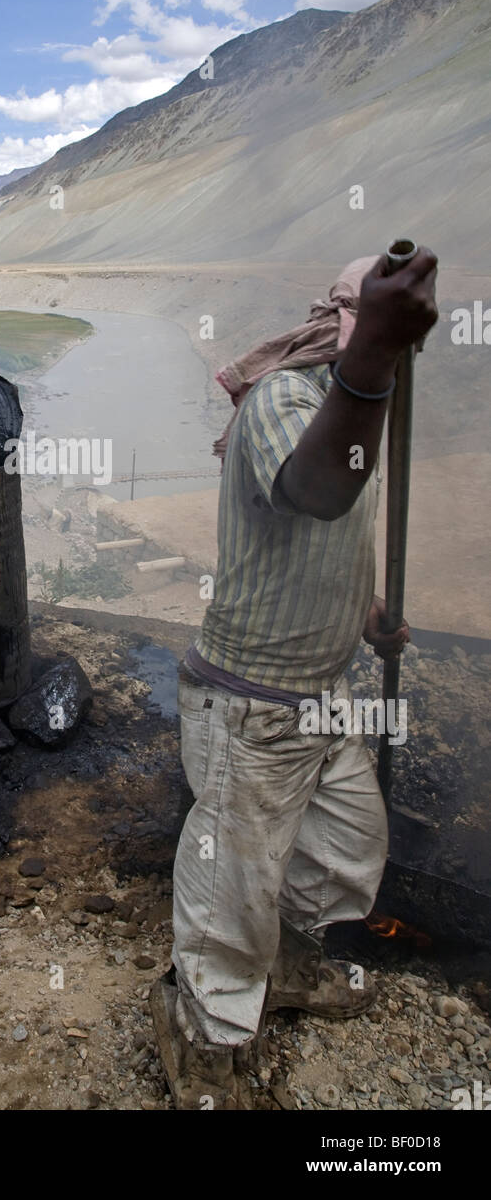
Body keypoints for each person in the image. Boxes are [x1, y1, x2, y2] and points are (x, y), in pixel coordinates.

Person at [151, 247, 438, 1109]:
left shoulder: (358, 405)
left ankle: (292, 961)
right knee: (233, 885)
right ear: (336, 319)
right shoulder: (292, 398)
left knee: (344, 848)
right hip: (251, 699)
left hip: (323, 691)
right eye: (366, 322)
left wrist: (368, 608)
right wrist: (376, 361)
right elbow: (317, 493)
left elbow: (329, 538)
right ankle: (203, 1031)